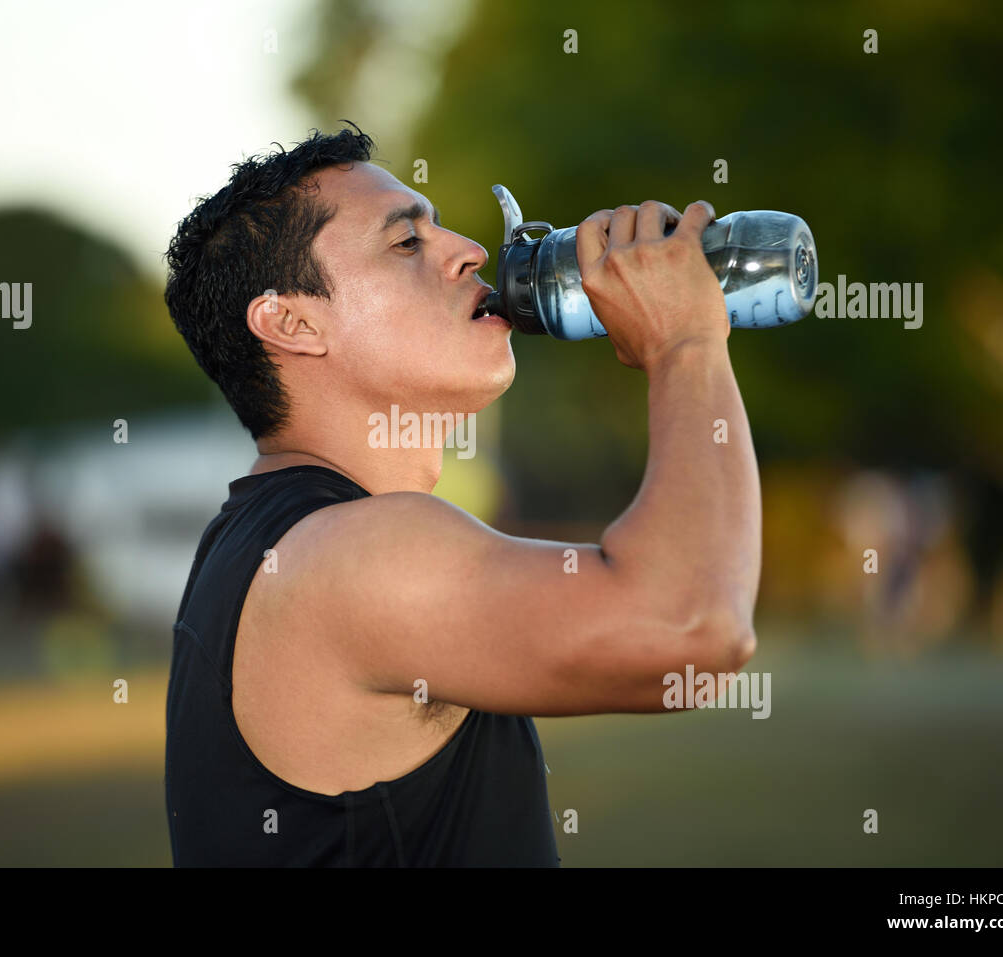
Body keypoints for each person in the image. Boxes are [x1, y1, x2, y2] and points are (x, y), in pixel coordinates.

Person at [162, 122, 760, 866]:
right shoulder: (351, 552)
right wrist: (686, 346)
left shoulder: (274, 543)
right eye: (406, 243)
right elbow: (692, 629)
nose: (471, 250)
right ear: (292, 321)